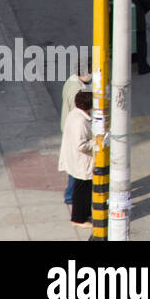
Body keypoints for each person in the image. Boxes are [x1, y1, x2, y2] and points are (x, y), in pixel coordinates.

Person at [58, 90, 95, 228]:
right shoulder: (80, 122)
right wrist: (96, 142)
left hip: (77, 160)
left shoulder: (74, 114)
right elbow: (81, 145)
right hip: (81, 162)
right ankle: (79, 218)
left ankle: (84, 214)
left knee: (83, 190)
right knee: (82, 192)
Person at [60, 69, 91, 206]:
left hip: (70, 129)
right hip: (75, 133)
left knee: (74, 166)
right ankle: (70, 196)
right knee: (76, 169)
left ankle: (71, 195)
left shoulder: (72, 81)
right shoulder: (76, 91)